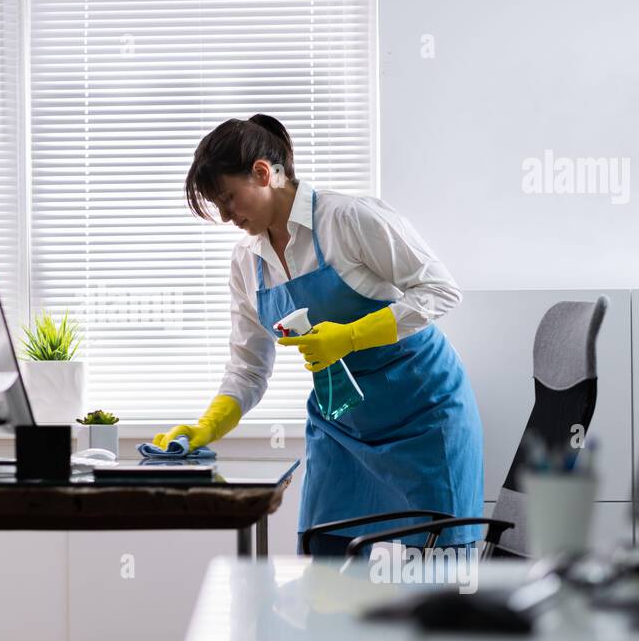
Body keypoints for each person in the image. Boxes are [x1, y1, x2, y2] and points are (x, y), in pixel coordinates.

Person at [151, 114, 484, 555]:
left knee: (432, 580)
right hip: (342, 425)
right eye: (219, 207)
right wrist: (207, 426)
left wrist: (349, 337)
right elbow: (249, 367)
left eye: (229, 199)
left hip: (424, 415)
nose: (227, 216)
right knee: (326, 571)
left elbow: (441, 290)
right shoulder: (247, 262)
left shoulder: (347, 218)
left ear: (262, 173)